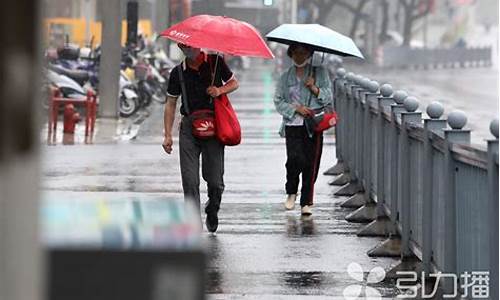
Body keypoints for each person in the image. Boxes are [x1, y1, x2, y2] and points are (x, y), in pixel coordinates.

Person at [162, 43, 239, 233]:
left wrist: (219, 91)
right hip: (188, 129)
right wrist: (167, 135)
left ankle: (213, 208)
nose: (186, 48)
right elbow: (171, 103)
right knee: (189, 181)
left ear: (198, 44)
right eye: (182, 46)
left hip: (213, 128)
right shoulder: (177, 72)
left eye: (189, 45)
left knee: (215, 181)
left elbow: (234, 83)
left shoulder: (216, 62)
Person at [273, 42, 333, 216]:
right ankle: (291, 191)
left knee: (310, 163)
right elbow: (278, 101)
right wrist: (295, 109)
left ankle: (306, 201)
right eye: (296, 52)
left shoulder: (319, 73)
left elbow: (328, 97)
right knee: (294, 159)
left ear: (309, 54)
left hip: (313, 125)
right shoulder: (285, 77)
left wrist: (314, 88)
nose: (299, 56)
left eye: (303, 52)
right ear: (291, 54)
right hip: (292, 125)